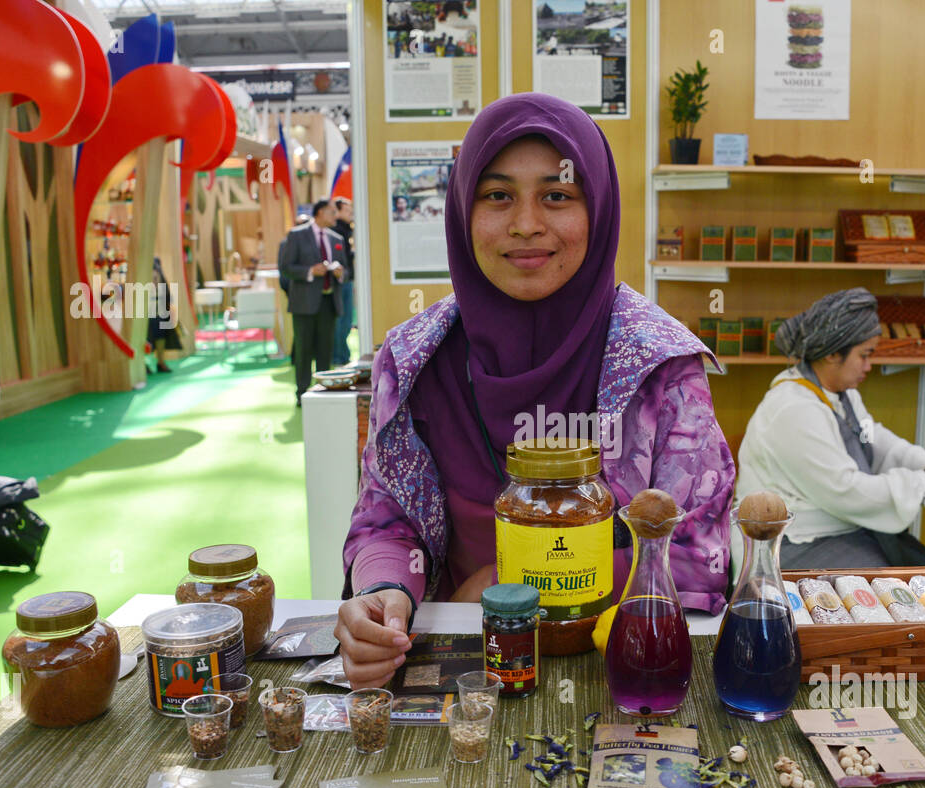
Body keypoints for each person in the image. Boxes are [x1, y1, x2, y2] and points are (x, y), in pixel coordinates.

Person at [335, 93, 734, 690]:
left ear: (597, 209)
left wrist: (511, 582)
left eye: (557, 195)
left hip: (620, 675)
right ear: (461, 213)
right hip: (468, 665)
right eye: (497, 196)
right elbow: (389, 521)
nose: (526, 224)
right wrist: (383, 594)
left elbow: (696, 557)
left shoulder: (660, 365)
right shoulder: (414, 360)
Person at [734, 288, 925, 571]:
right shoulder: (794, 410)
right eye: (864, 355)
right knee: (905, 594)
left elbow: (872, 438)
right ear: (831, 355)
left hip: (835, 528)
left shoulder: (840, 394)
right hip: (789, 546)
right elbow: (847, 491)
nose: (869, 366)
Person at [278, 199, 350, 406]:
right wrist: (310, 271)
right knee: (304, 349)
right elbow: (285, 267)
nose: (335, 216)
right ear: (318, 213)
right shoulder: (297, 235)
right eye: (331, 212)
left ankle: (323, 391)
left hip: (329, 301)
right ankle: (302, 392)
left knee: (325, 349)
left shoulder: (337, 238)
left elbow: (347, 270)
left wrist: (340, 273)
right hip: (304, 303)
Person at [330, 196, 356, 367]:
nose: (351, 214)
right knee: (342, 320)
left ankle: (342, 355)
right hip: (340, 282)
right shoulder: (336, 232)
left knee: (346, 320)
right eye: (347, 211)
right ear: (338, 212)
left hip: (346, 280)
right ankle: (339, 357)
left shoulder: (347, 231)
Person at [145, 257, 179, 374]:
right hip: (144, 312)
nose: (154, 280)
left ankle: (161, 362)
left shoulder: (157, 267)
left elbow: (166, 292)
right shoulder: (143, 270)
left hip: (159, 310)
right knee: (145, 339)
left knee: (161, 337)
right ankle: (143, 364)